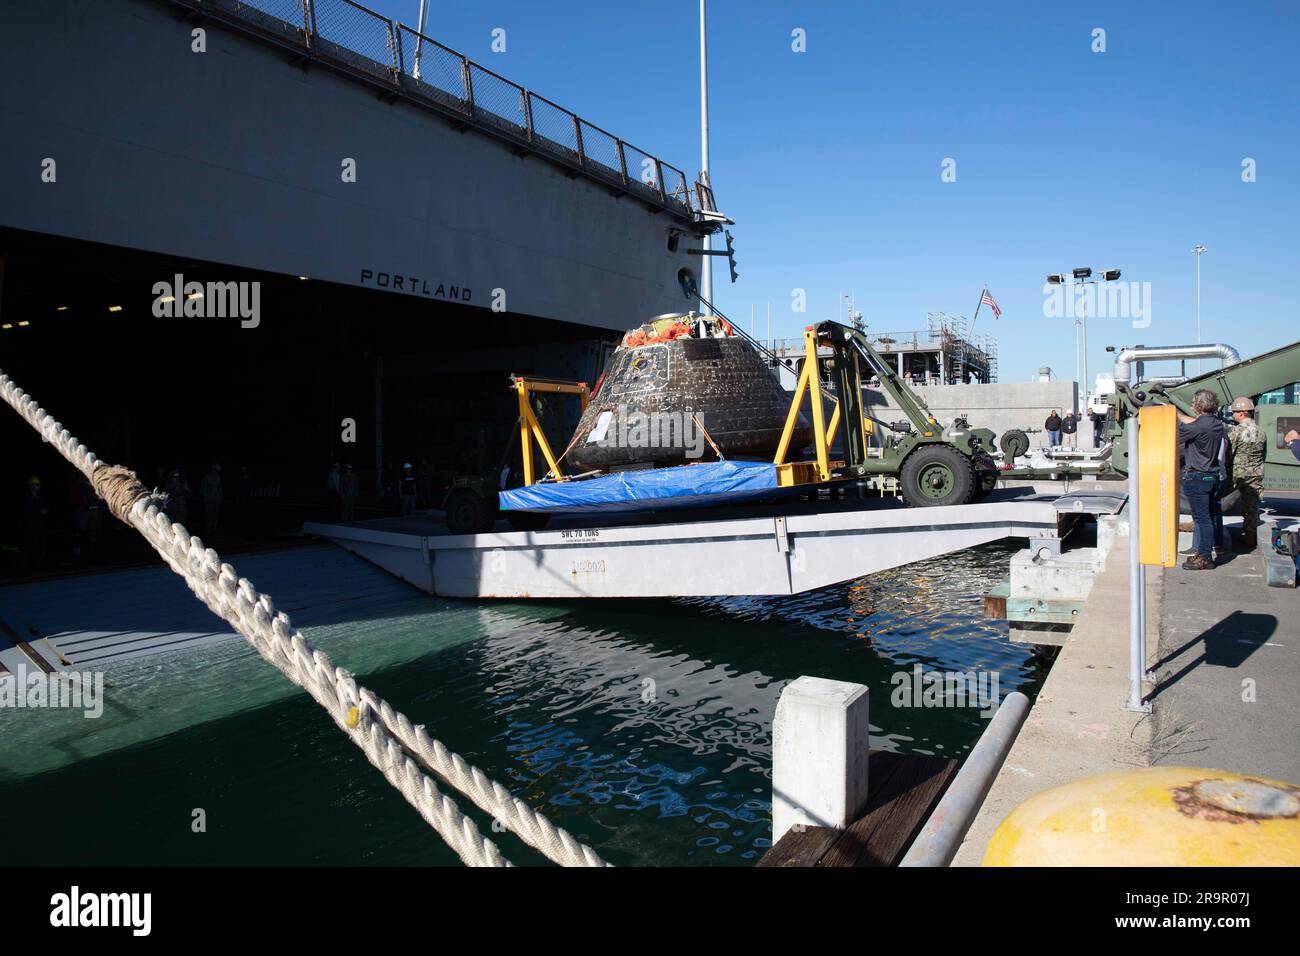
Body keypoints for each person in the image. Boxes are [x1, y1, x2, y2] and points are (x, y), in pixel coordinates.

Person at [1177, 390, 1227, 571]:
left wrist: (1170, 414)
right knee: (1209, 517)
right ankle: (1203, 552)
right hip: (1211, 476)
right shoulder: (1217, 424)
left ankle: (1205, 557)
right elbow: (1195, 423)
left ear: (1198, 406)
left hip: (1197, 477)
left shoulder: (1197, 427)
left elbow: (1179, 432)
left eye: (1193, 403)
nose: (1191, 405)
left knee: (1201, 519)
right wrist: (1178, 413)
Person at [1226, 397, 1266, 551]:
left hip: (1239, 472)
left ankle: (1247, 538)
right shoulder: (1261, 431)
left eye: (1234, 412)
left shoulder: (1237, 431)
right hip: (1256, 472)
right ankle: (1250, 533)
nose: (1233, 415)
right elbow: (1264, 454)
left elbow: (1229, 452)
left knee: (1228, 502)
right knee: (1252, 504)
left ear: (1241, 413)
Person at [22, 476, 50, 567]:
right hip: (32, 524)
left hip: (41, 523)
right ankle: (33, 561)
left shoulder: (40, 497)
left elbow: (45, 506)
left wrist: (45, 511)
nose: (39, 487)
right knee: (33, 541)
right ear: (32, 486)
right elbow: (26, 510)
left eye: (39, 485)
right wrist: (39, 512)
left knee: (41, 541)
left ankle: (40, 559)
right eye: (37, 485)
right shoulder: (27, 498)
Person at [201, 463, 224, 533]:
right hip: (209, 499)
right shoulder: (207, 477)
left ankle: (214, 528)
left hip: (216, 499)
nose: (217, 471)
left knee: (215, 514)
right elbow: (203, 488)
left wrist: (220, 498)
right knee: (209, 514)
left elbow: (219, 489)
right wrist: (206, 497)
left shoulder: (218, 477)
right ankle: (209, 528)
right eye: (216, 470)